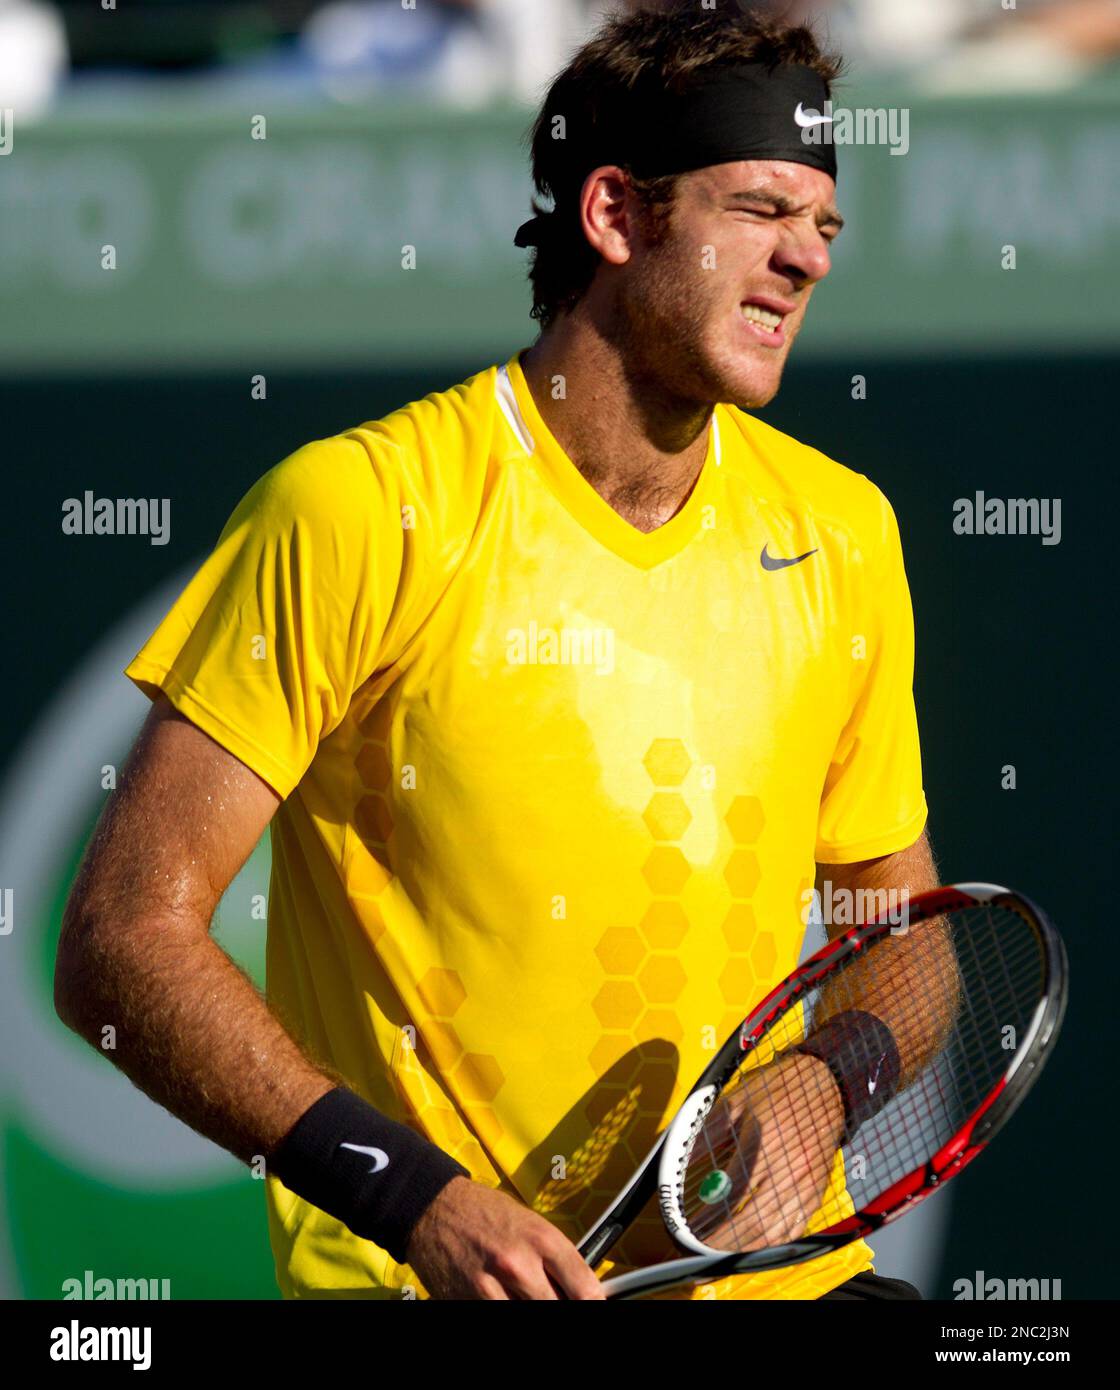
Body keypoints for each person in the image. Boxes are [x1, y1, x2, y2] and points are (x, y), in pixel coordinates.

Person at [56, 6, 935, 1301]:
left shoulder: (845, 532)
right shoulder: (357, 510)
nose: (804, 258)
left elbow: (904, 929)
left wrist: (825, 1078)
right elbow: (122, 939)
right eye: (758, 210)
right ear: (615, 218)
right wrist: (413, 1202)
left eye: (823, 225)